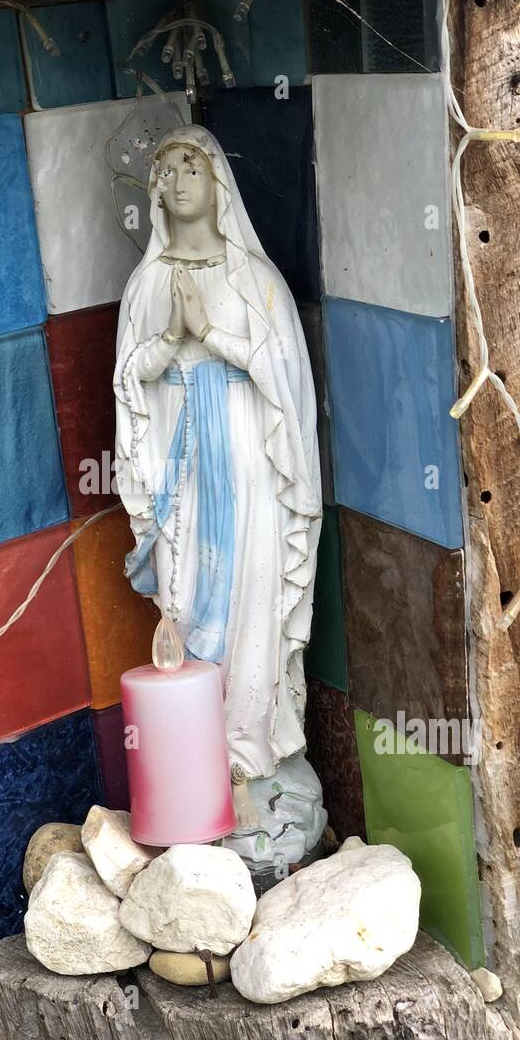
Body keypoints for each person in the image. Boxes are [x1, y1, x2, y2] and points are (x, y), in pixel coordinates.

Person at [114, 123, 326, 872]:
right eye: (164, 170)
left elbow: (283, 376)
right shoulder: (146, 283)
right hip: (184, 472)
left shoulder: (253, 279)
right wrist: (171, 343)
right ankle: (195, 765)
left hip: (249, 467)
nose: (174, 180)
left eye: (189, 165)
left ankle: (253, 754)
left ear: (217, 183)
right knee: (185, 599)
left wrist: (216, 336)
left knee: (250, 603)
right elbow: (126, 379)